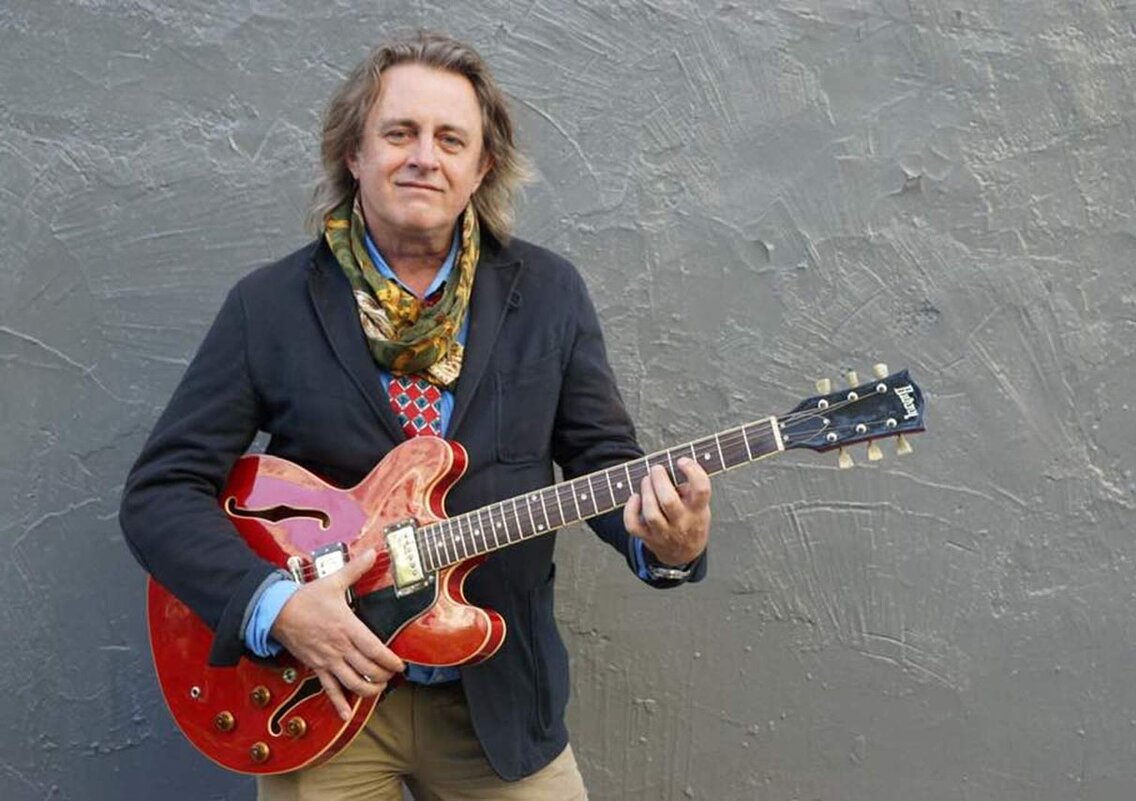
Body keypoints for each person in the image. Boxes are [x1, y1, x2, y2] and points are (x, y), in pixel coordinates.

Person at [121, 30, 711, 801]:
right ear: (354, 153)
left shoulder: (549, 293)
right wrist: (278, 607)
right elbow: (160, 492)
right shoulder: (268, 306)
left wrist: (663, 542)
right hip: (318, 694)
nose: (424, 157)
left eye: (450, 139)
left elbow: (603, 462)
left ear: (482, 166)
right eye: (399, 133)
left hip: (497, 704)